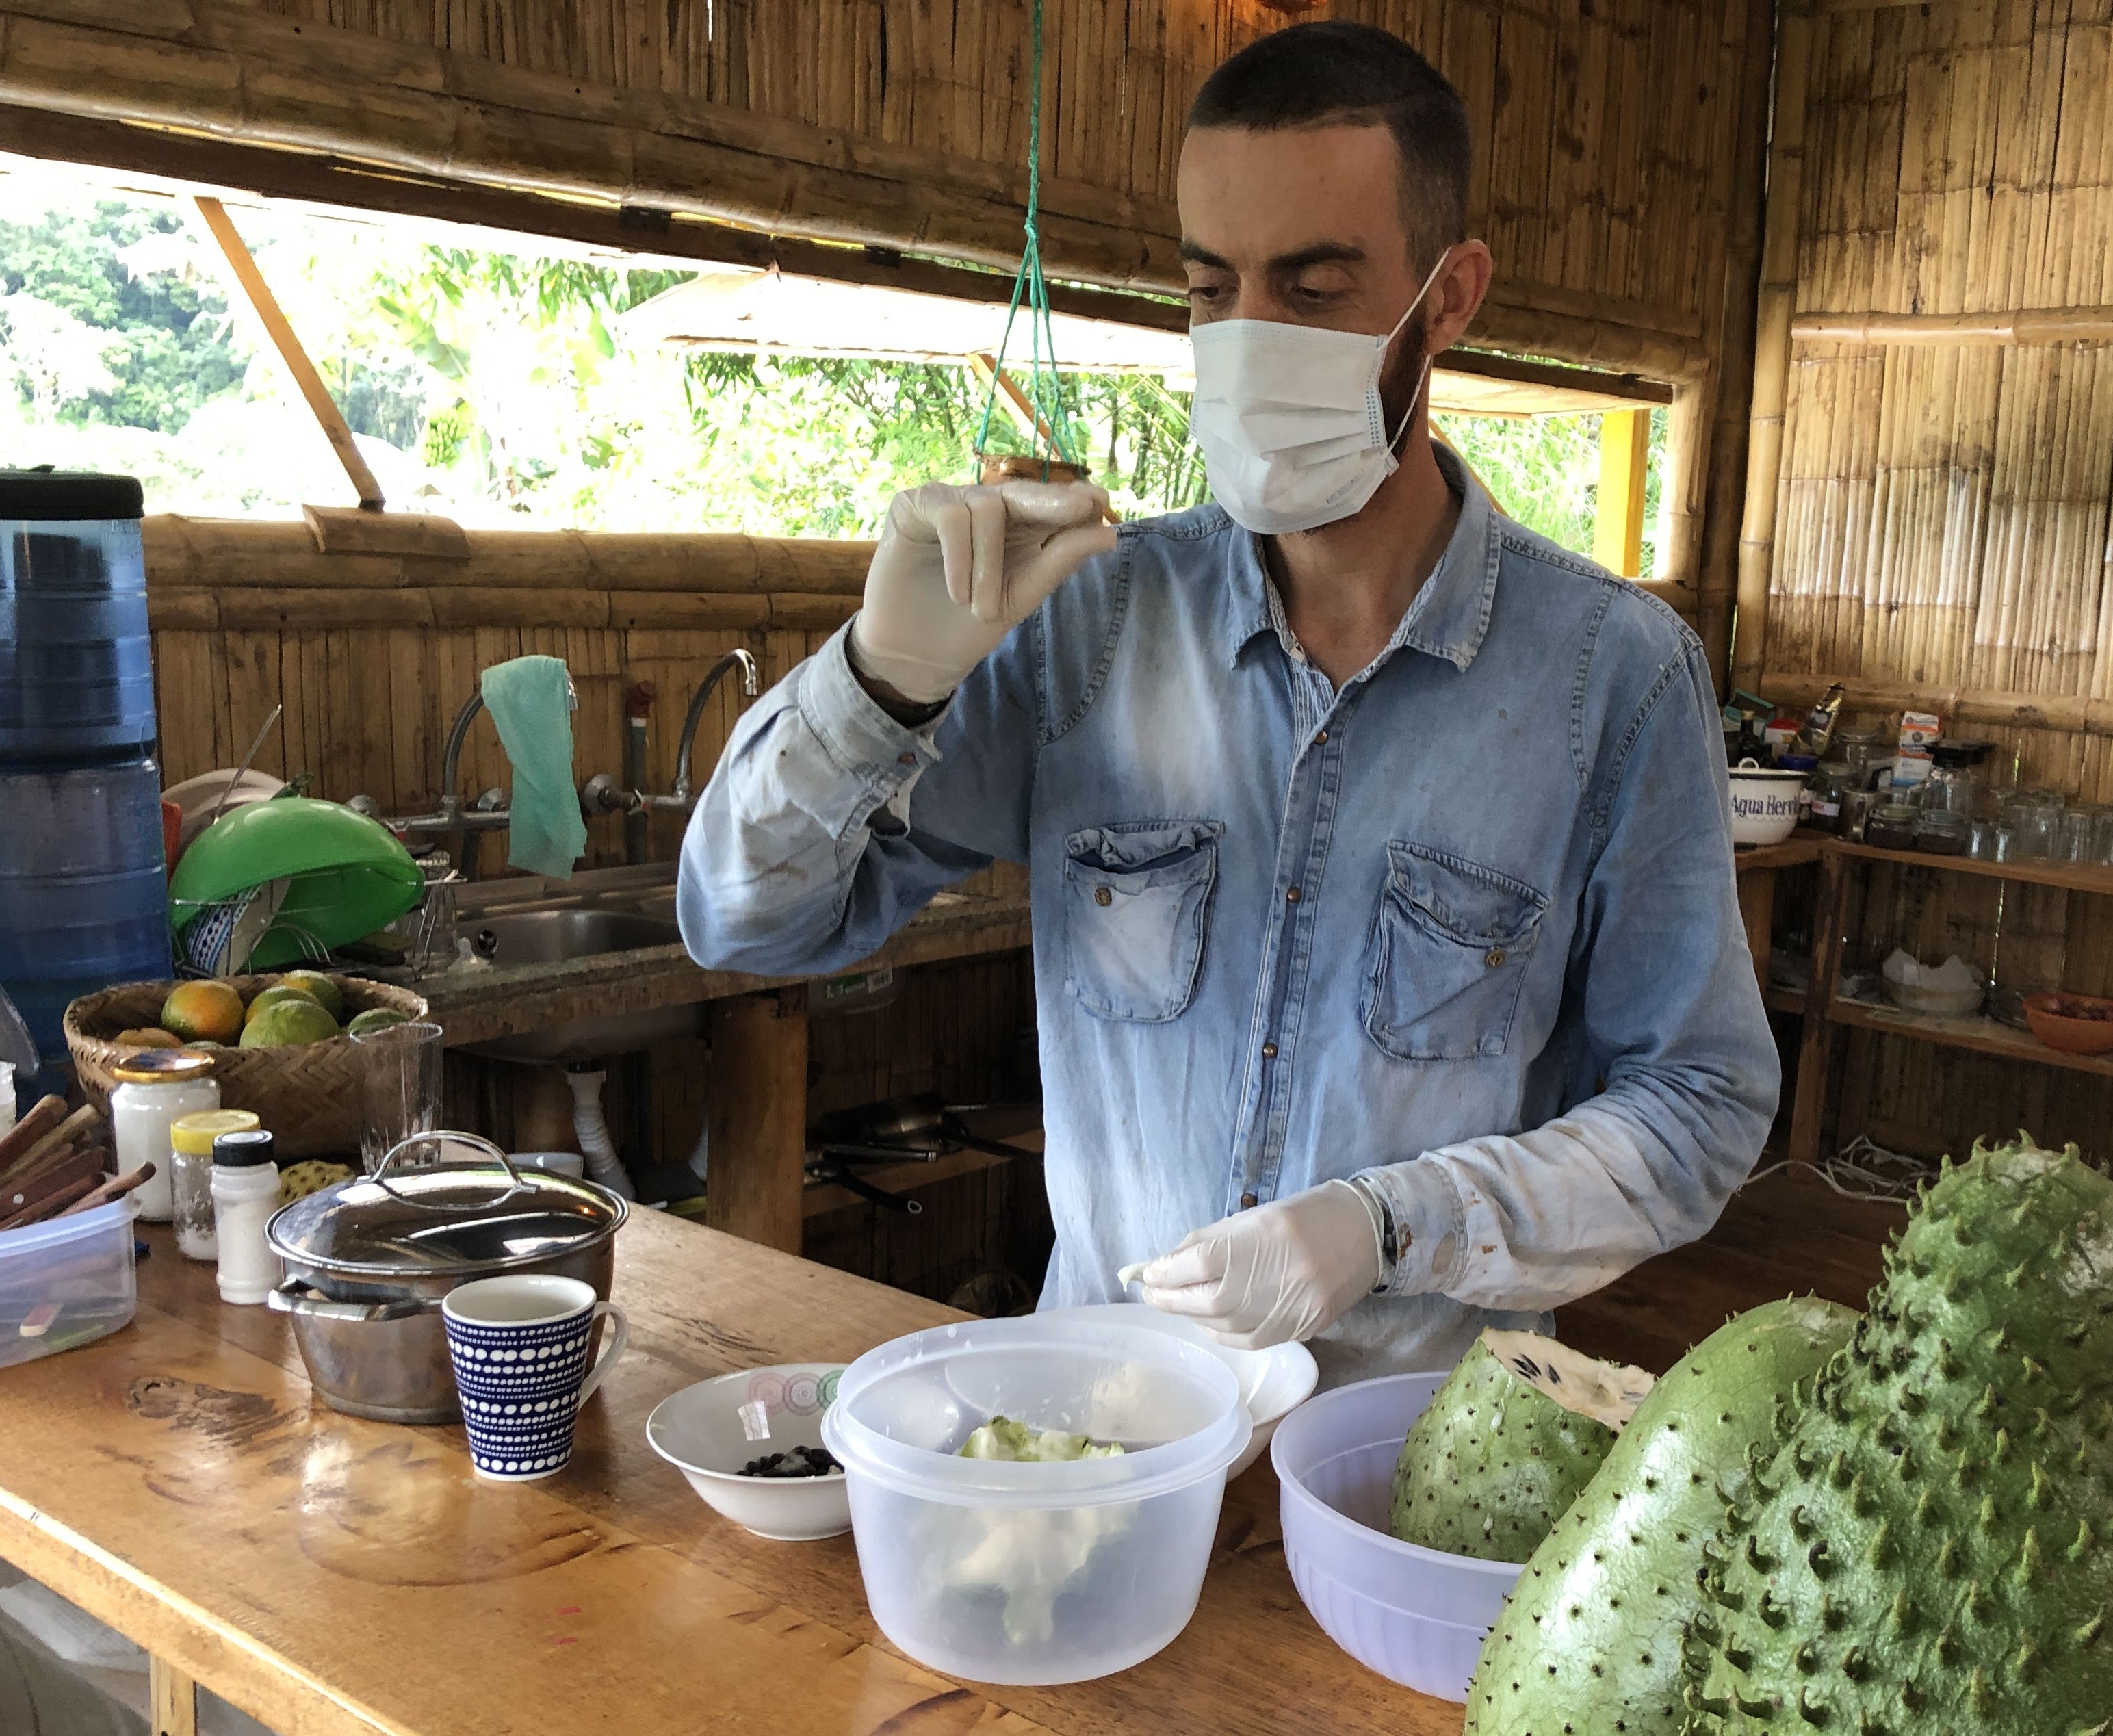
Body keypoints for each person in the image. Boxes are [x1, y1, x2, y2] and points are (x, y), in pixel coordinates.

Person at [679, 21, 1779, 1381]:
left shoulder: (1610, 679)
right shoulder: (1084, 624)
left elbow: (1701, 1103)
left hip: (1403, 1460)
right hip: (1100, 1420)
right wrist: (876, 681)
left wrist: (1388, 1226)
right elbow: (746, 925)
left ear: (1448, 298)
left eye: (1315, 289)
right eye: (1212, 289)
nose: (1251, 343)